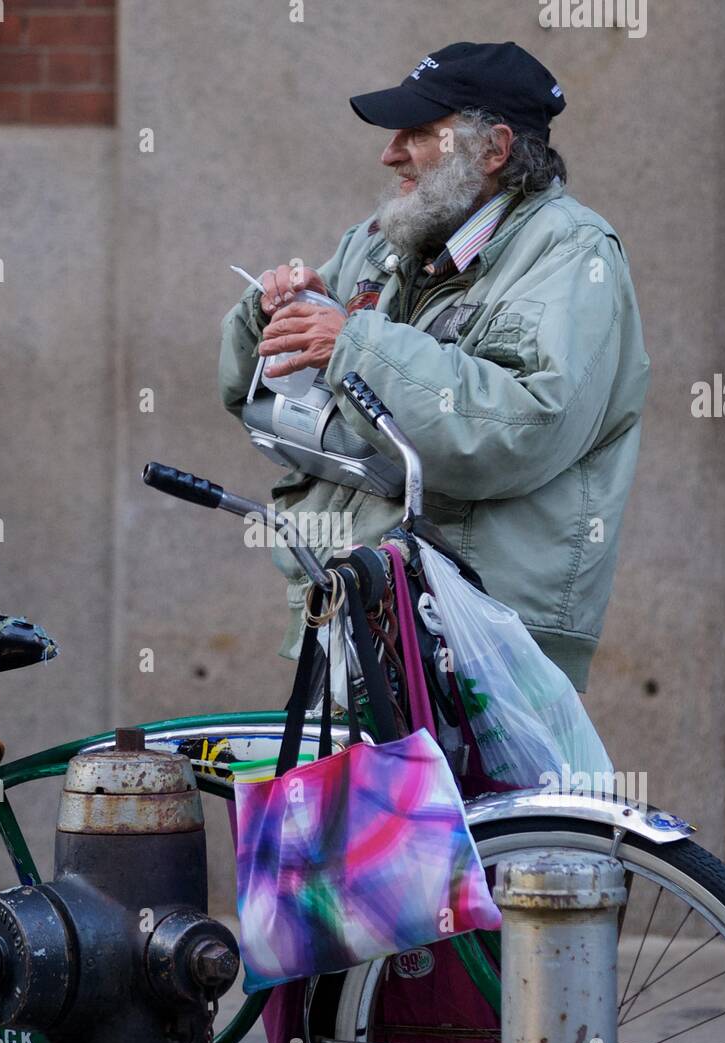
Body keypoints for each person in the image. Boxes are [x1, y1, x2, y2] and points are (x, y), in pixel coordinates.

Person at [219, 40, 650, 695]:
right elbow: (248, 387)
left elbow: (521, 428)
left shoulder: (572, 251)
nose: (390, 153)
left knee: (459, 804)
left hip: (484, 642)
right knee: (348, 801)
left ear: (494, 150)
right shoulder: (382, 237)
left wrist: (353, 347)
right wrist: (272, 313)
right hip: (361, 612)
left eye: (419, 133)